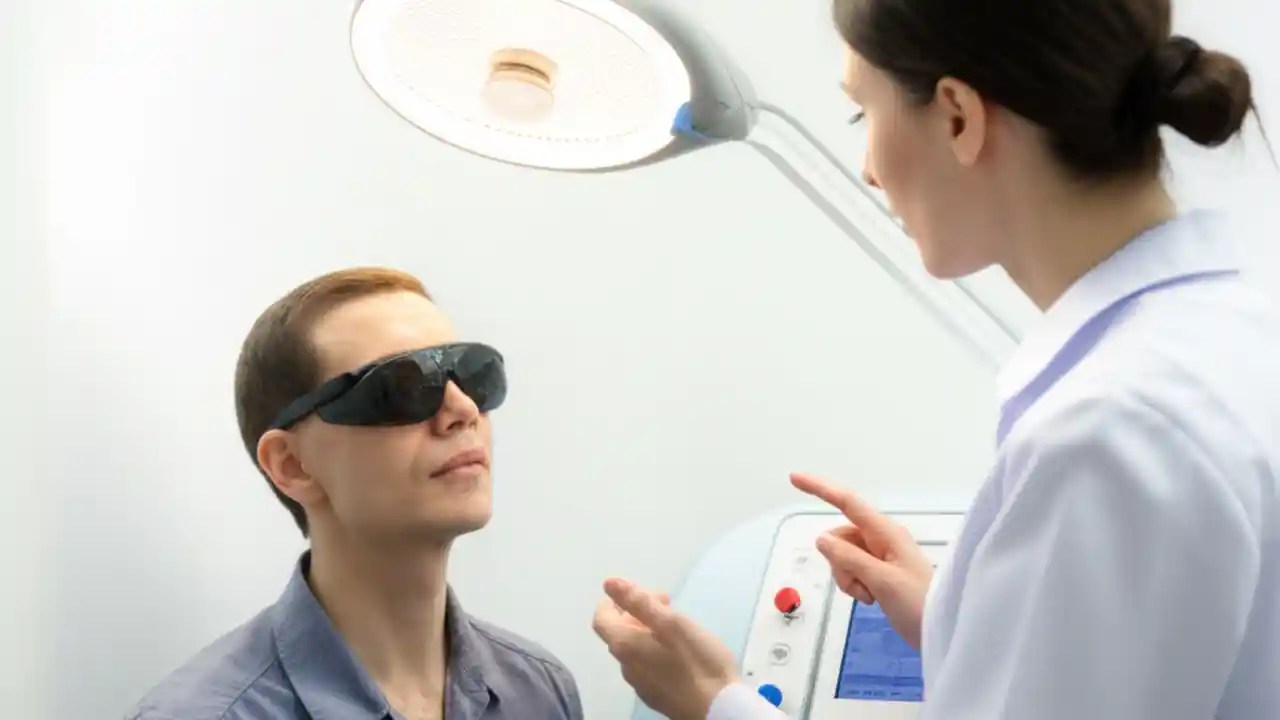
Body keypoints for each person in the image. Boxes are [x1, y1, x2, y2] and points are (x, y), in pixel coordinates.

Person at [592, 0, 1279, 717]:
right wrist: (959, 619)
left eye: (864, 115)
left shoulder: (1111, 433)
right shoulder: (1232, 342)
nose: (867, 171)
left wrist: (713, 701)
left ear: (957, 115)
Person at [129, 267, 583, 720]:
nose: (463, 410)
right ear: (292, 465)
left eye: (472, 375)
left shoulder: (540, 693)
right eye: (402, 387)